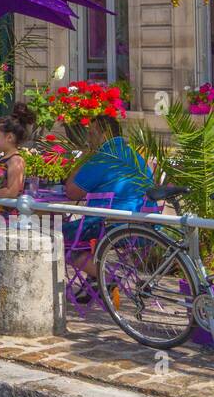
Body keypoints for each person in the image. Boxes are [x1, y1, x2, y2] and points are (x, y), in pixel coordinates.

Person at [62, 113, 149, 277]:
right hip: (143, 226)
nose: (89, 138)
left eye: (91, 133)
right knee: (82, 236)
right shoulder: (135, 156)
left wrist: (83, 160)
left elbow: (72, 192)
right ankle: (97, 284)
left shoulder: (103, 157)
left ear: (103, 135)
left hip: (110, 227)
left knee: (57, 236)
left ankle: (106, 278)